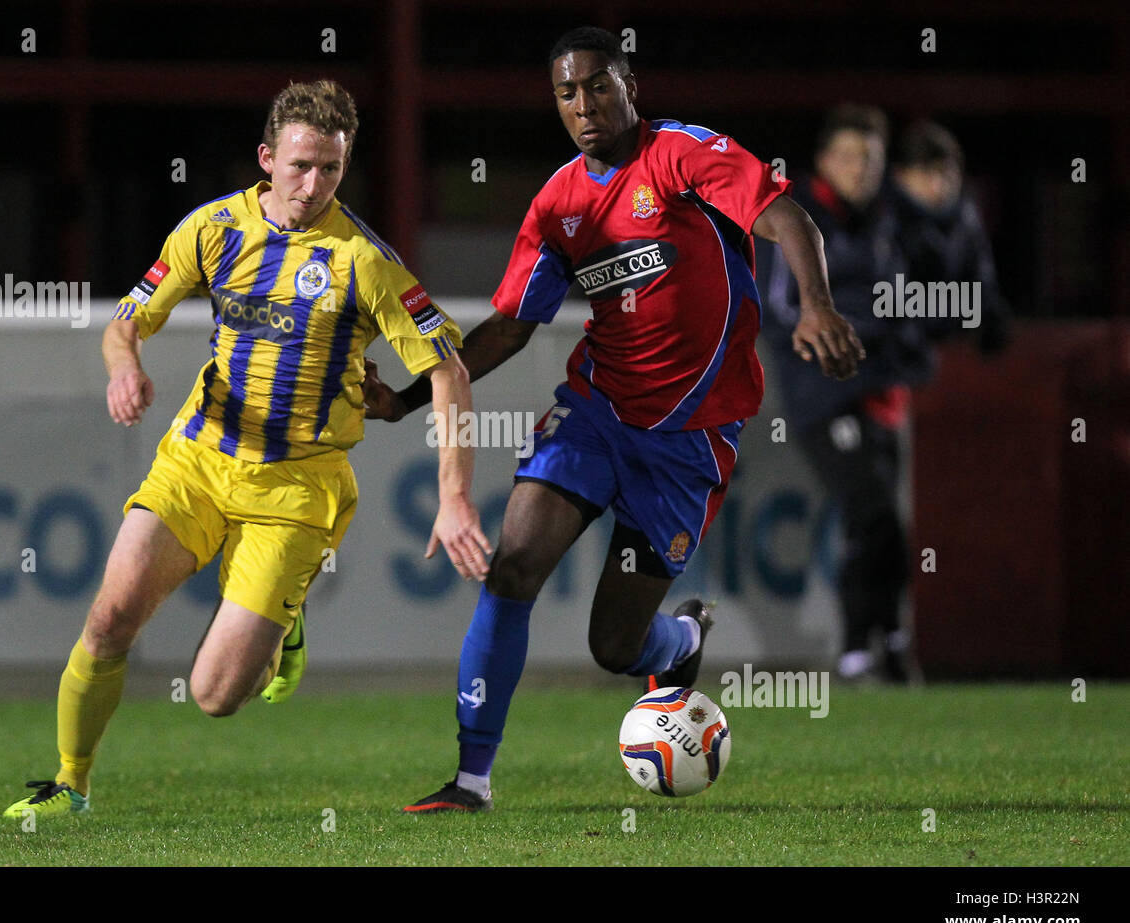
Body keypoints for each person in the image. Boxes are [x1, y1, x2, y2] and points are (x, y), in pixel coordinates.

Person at [364, 27, 864, 813]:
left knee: (615, 646)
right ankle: (471, 779)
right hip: (595, 414)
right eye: (567, 92)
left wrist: (818, 307)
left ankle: (682, 641)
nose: (584, 104)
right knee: (513, 567)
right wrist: (403, 396)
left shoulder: (683, 155)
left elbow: (787, 219)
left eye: (599, 85)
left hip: (692, 439)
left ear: (630, 84)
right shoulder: (558, 203)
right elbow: (509, 325)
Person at [2, 80, 491, 820]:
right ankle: (70, 784)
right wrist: (124, 367)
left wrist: (454, 496)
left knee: (213, 697)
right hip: (198, 459)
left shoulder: (366, 262)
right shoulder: (211, 230)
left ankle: (283, 622)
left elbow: (449, 372)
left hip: (297, 489)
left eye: (330, 169)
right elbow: (125, 322)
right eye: (300, 166)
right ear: (267, 158)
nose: (314, 184)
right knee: (109, 619)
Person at [759, 104, 921, 683]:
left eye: (871, 159)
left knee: (878, 520)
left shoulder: (884, 225)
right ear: (825, 162)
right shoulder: (796, 220)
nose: (860, 169)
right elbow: (780, 308)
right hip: (823, 393)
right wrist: (865, 325)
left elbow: (913, 301)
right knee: (873, 512)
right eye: (849, 157)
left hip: (881, 393)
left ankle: (883, 642)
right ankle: (866, 646)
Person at [890, 119, 1011, 355]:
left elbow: (983, 287)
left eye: (946, 173)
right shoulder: (882, 220)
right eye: (926, 173)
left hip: (954, 350)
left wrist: (990, 316)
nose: (938, 185)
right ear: (901, 175)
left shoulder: (966, 219)